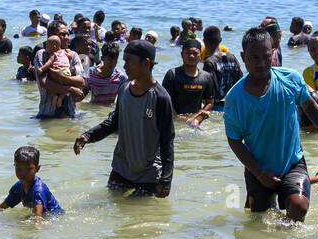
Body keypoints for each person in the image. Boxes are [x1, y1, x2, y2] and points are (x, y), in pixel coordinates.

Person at [226, 27, 318, 222]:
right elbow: (235, 140)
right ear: (243, 56)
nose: (261, 63)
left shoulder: (290, 79)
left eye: (266, 56)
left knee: (298, 207)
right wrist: (261, 174)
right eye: (254, 57)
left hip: (292, 163)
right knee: (258, 221)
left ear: (273, 53)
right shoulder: (235, 98)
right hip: (258, 167)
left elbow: (310, 106)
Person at [73, 40, 175, 198]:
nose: (125, 65)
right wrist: (88, 136)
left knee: (141, 219)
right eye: (124, 60)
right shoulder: (124, 89)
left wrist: (166, 179)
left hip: (149, 174)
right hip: (121, 169)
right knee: (115, 214)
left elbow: (167, 140)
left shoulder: (161, 98)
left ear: (146, 63)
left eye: (129, 61)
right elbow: (114, 122)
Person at [0, 145, 64, 217]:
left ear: (37, 168)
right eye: (18, 168)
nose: (23, 173)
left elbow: (38, 217)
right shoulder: (18, 187)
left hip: (55, 216)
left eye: (28, 169)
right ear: (14, 166)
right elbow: (5, 205)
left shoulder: (38, 190)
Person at [162, 38, 216, 126]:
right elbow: (165, 101)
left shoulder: (206, 77)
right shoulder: (172, 74)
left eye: (195, 53)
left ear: (200, 55)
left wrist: (198, 118)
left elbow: (209, 102)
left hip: (196, 120)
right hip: (175, 121)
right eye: (188, 53)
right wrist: (178, 118)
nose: (191, 56)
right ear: (182, 55)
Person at [201, 26, 242, 111]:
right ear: (220, 40)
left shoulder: (209, 62)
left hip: (216, 106)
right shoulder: (232, 57)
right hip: (233, 104)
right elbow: (240, 80)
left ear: (204, 41)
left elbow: (209, 88)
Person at [84, 40, 125, 105]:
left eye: (115, 59)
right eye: (110, 59)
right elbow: (83, 93)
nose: (113, 62)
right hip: (93, 110)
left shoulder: (120, 77)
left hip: (108, 111)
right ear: (102, 58)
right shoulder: (91, 73)